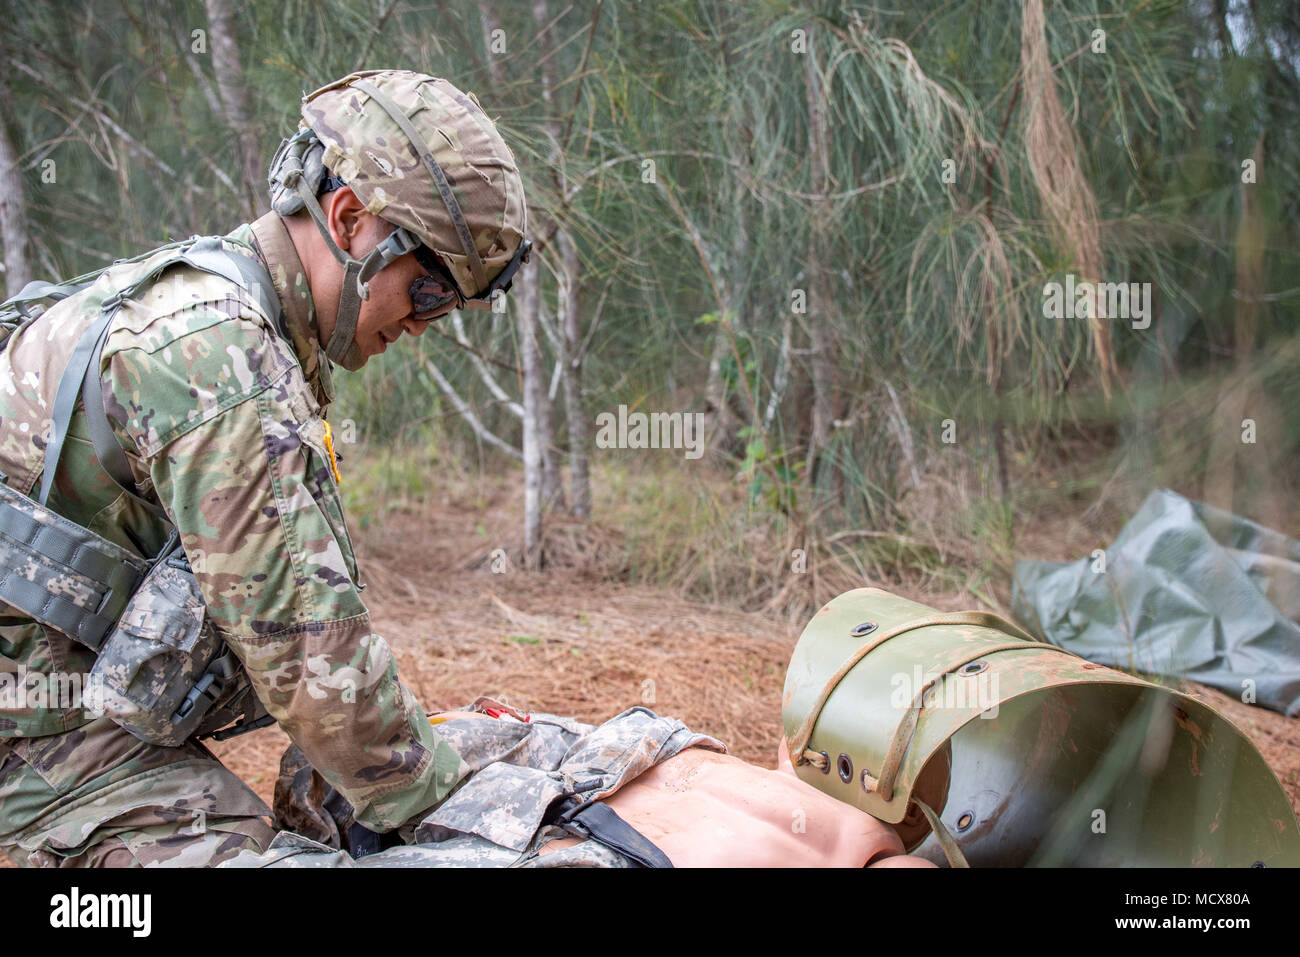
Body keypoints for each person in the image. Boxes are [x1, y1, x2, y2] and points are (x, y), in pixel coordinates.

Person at [0, 69, 529, 867]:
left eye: (447, 305)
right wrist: (452, 802)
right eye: (427, 288)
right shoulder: (217, 357)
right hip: (31, 723)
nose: (425, 324)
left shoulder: (235, 317)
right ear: (350, 219)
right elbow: (307, 649)